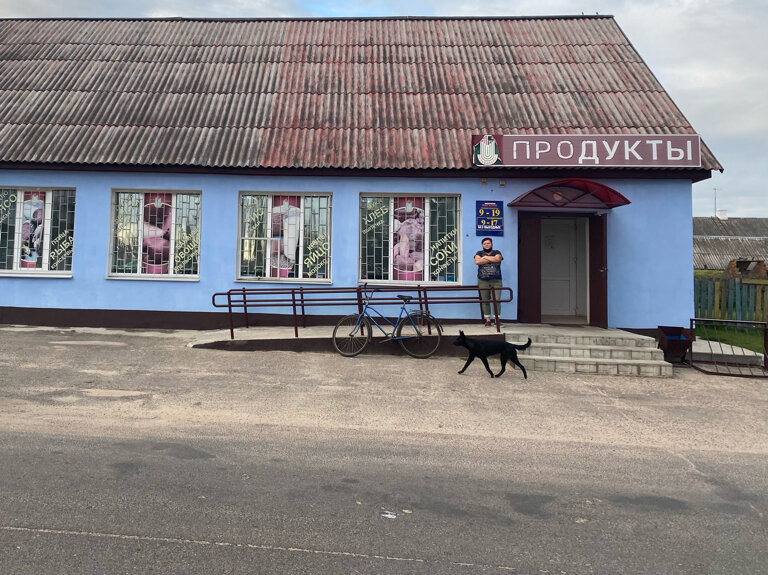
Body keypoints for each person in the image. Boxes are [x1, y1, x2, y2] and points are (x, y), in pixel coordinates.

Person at [475, 237, 503, 326]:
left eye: (488, 243)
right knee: (485, 300)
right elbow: (477, 261)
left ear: (492, 244)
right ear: (482, 245)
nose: (486, 245)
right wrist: (491, 258)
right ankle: (488, 320)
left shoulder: (497, 252)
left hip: (496, 280)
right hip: (483, 280)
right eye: (484, 243)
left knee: (497, 299)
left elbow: (498, 259)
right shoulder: (479, 253)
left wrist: (485, 257)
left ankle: (497, 320)